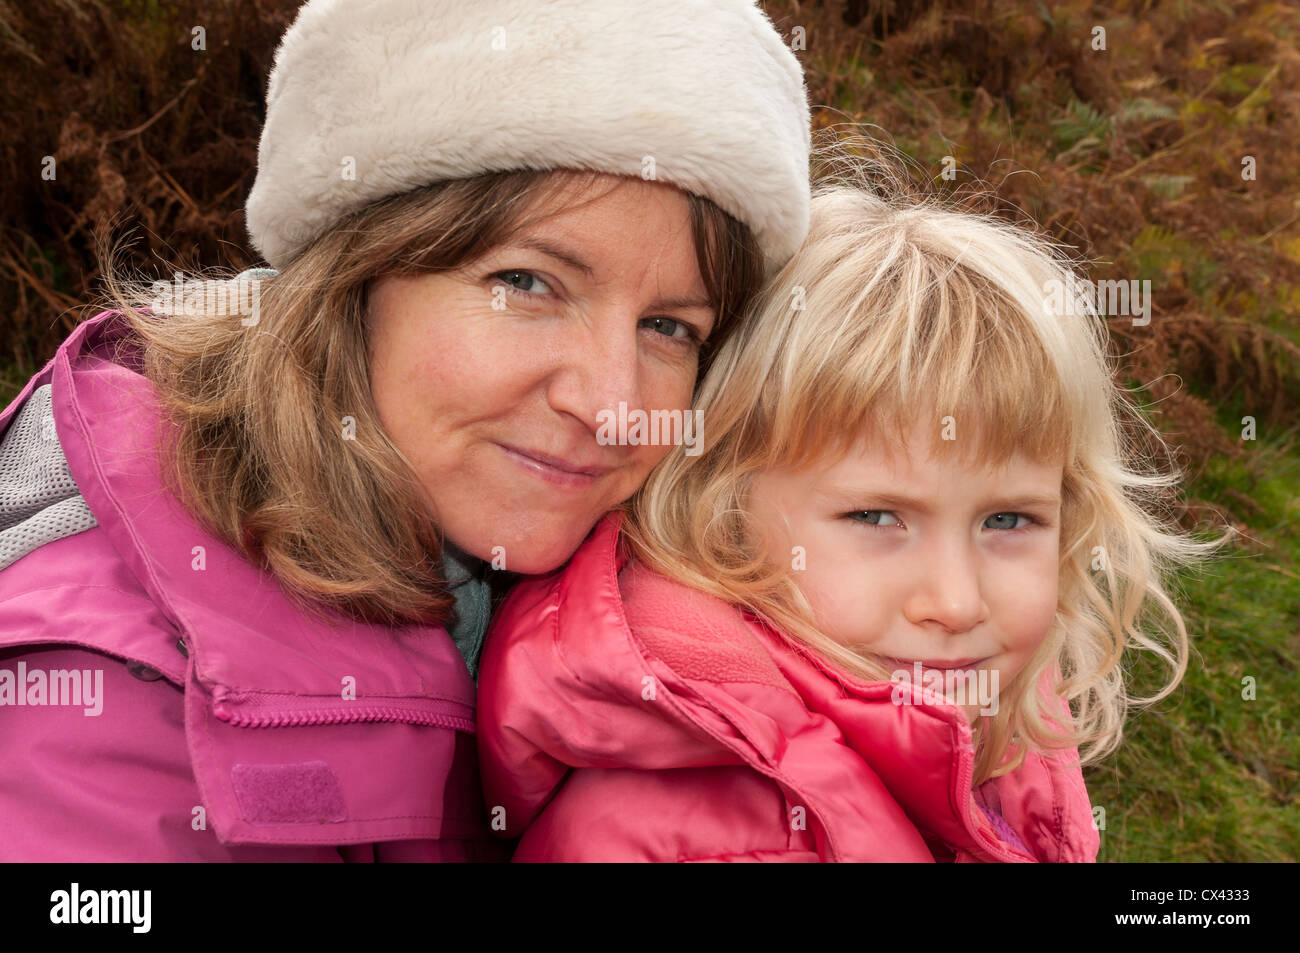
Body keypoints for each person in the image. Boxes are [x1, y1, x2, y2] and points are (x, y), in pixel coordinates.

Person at [0, 0, 811, 861]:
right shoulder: (111, 704)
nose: (611, 400)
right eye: (528, 284)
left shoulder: (637, 603)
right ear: (348, 284)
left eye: (671, 327)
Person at [476, 172, 1224, 861]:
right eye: (876, 517)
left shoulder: (1004, 736)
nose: (956, 601)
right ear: (721, 512)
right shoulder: (671, 836)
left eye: (1007, 521)